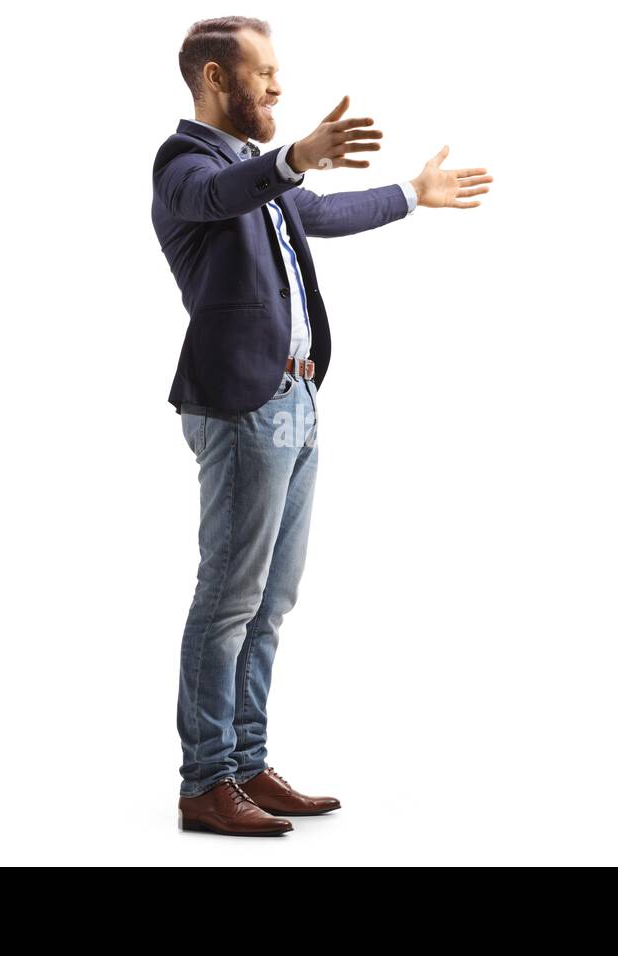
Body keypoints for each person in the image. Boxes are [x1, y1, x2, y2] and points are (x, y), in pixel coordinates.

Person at [152, 16, 492, 836]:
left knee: (271, 600)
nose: (276, 85)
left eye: (276, 71)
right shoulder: (188, 165)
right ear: (212, 80)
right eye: (261, 72)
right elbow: (222, 197)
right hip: (242, 406)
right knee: (228, 599)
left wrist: (415, 193)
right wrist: (294, 157)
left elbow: (323, 215)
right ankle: (206, 781)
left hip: (296, 401)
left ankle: (246, 763)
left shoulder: (253, 173)